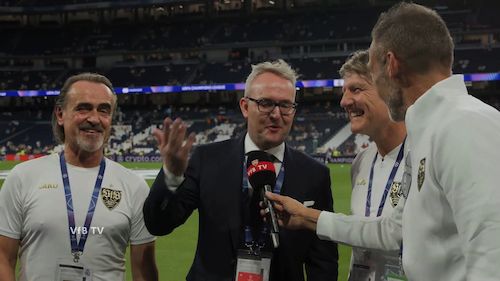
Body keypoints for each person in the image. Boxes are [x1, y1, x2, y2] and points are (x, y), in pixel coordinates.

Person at [264, 2, 500, 281]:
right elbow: (393, 229)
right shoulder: (432, 131)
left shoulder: (465, 124)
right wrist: (306, 217)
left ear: (392, 65)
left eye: (374, 75)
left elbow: (492, 257)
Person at [143, 59, 338, 281]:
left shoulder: (315, 174)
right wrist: (171, 175)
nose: (276, 114)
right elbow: (158, 223)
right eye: (265, 103)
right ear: (245, 107)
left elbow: (323, 261)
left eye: (285, 105)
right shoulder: (206, 159)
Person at [0, 73, 158, 281]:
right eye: (83, 108)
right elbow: (3, 258)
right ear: (60, 114)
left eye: (103, 110)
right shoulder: (23, 177)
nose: (94, 119)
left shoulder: (134, 186)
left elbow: (144, 272)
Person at [339, 50, 407, 280]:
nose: (344, 101)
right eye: (344, 91)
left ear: (387, 89)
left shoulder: (424, 157)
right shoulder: (360, 161)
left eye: (356, 89)